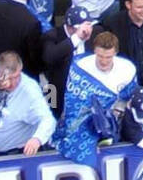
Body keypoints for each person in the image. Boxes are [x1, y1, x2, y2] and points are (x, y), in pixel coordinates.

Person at [57, 31, 138, 161]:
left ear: (115, 53)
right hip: (82, 123)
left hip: (112, 125)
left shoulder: (127, 70)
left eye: (108, 57)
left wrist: (113, 117)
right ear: (94, 51)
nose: (104, 61)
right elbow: (72, 103)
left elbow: (129, 100)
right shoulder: (80, 67)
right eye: (100, 56)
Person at [0, 50, 56, 156]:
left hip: (15, 155)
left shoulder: (30, 91)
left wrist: (37, 139)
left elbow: (48, 119)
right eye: (8, 78)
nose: (13, 83)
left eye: (16, 77)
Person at [41, 4, 94, 111]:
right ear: (69, 26)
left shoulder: (95, 33)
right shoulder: (52, 36)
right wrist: (76, 38)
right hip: (57, 90)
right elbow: (50, 57)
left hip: (85, 91)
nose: (86, 30)